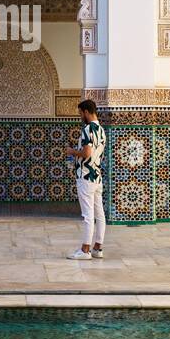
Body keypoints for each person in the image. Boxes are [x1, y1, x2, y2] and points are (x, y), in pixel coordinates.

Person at [65, 99, 107, 260]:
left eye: (81, 113)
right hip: (97, 176)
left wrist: (72, 152)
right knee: (99, 213)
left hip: (86, 177)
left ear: (86, 112)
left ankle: (85, 250)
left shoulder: (88, 129)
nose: (80, 116)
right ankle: (98, 247)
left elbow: (87, 153)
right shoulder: (102, 130)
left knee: (88, 215)